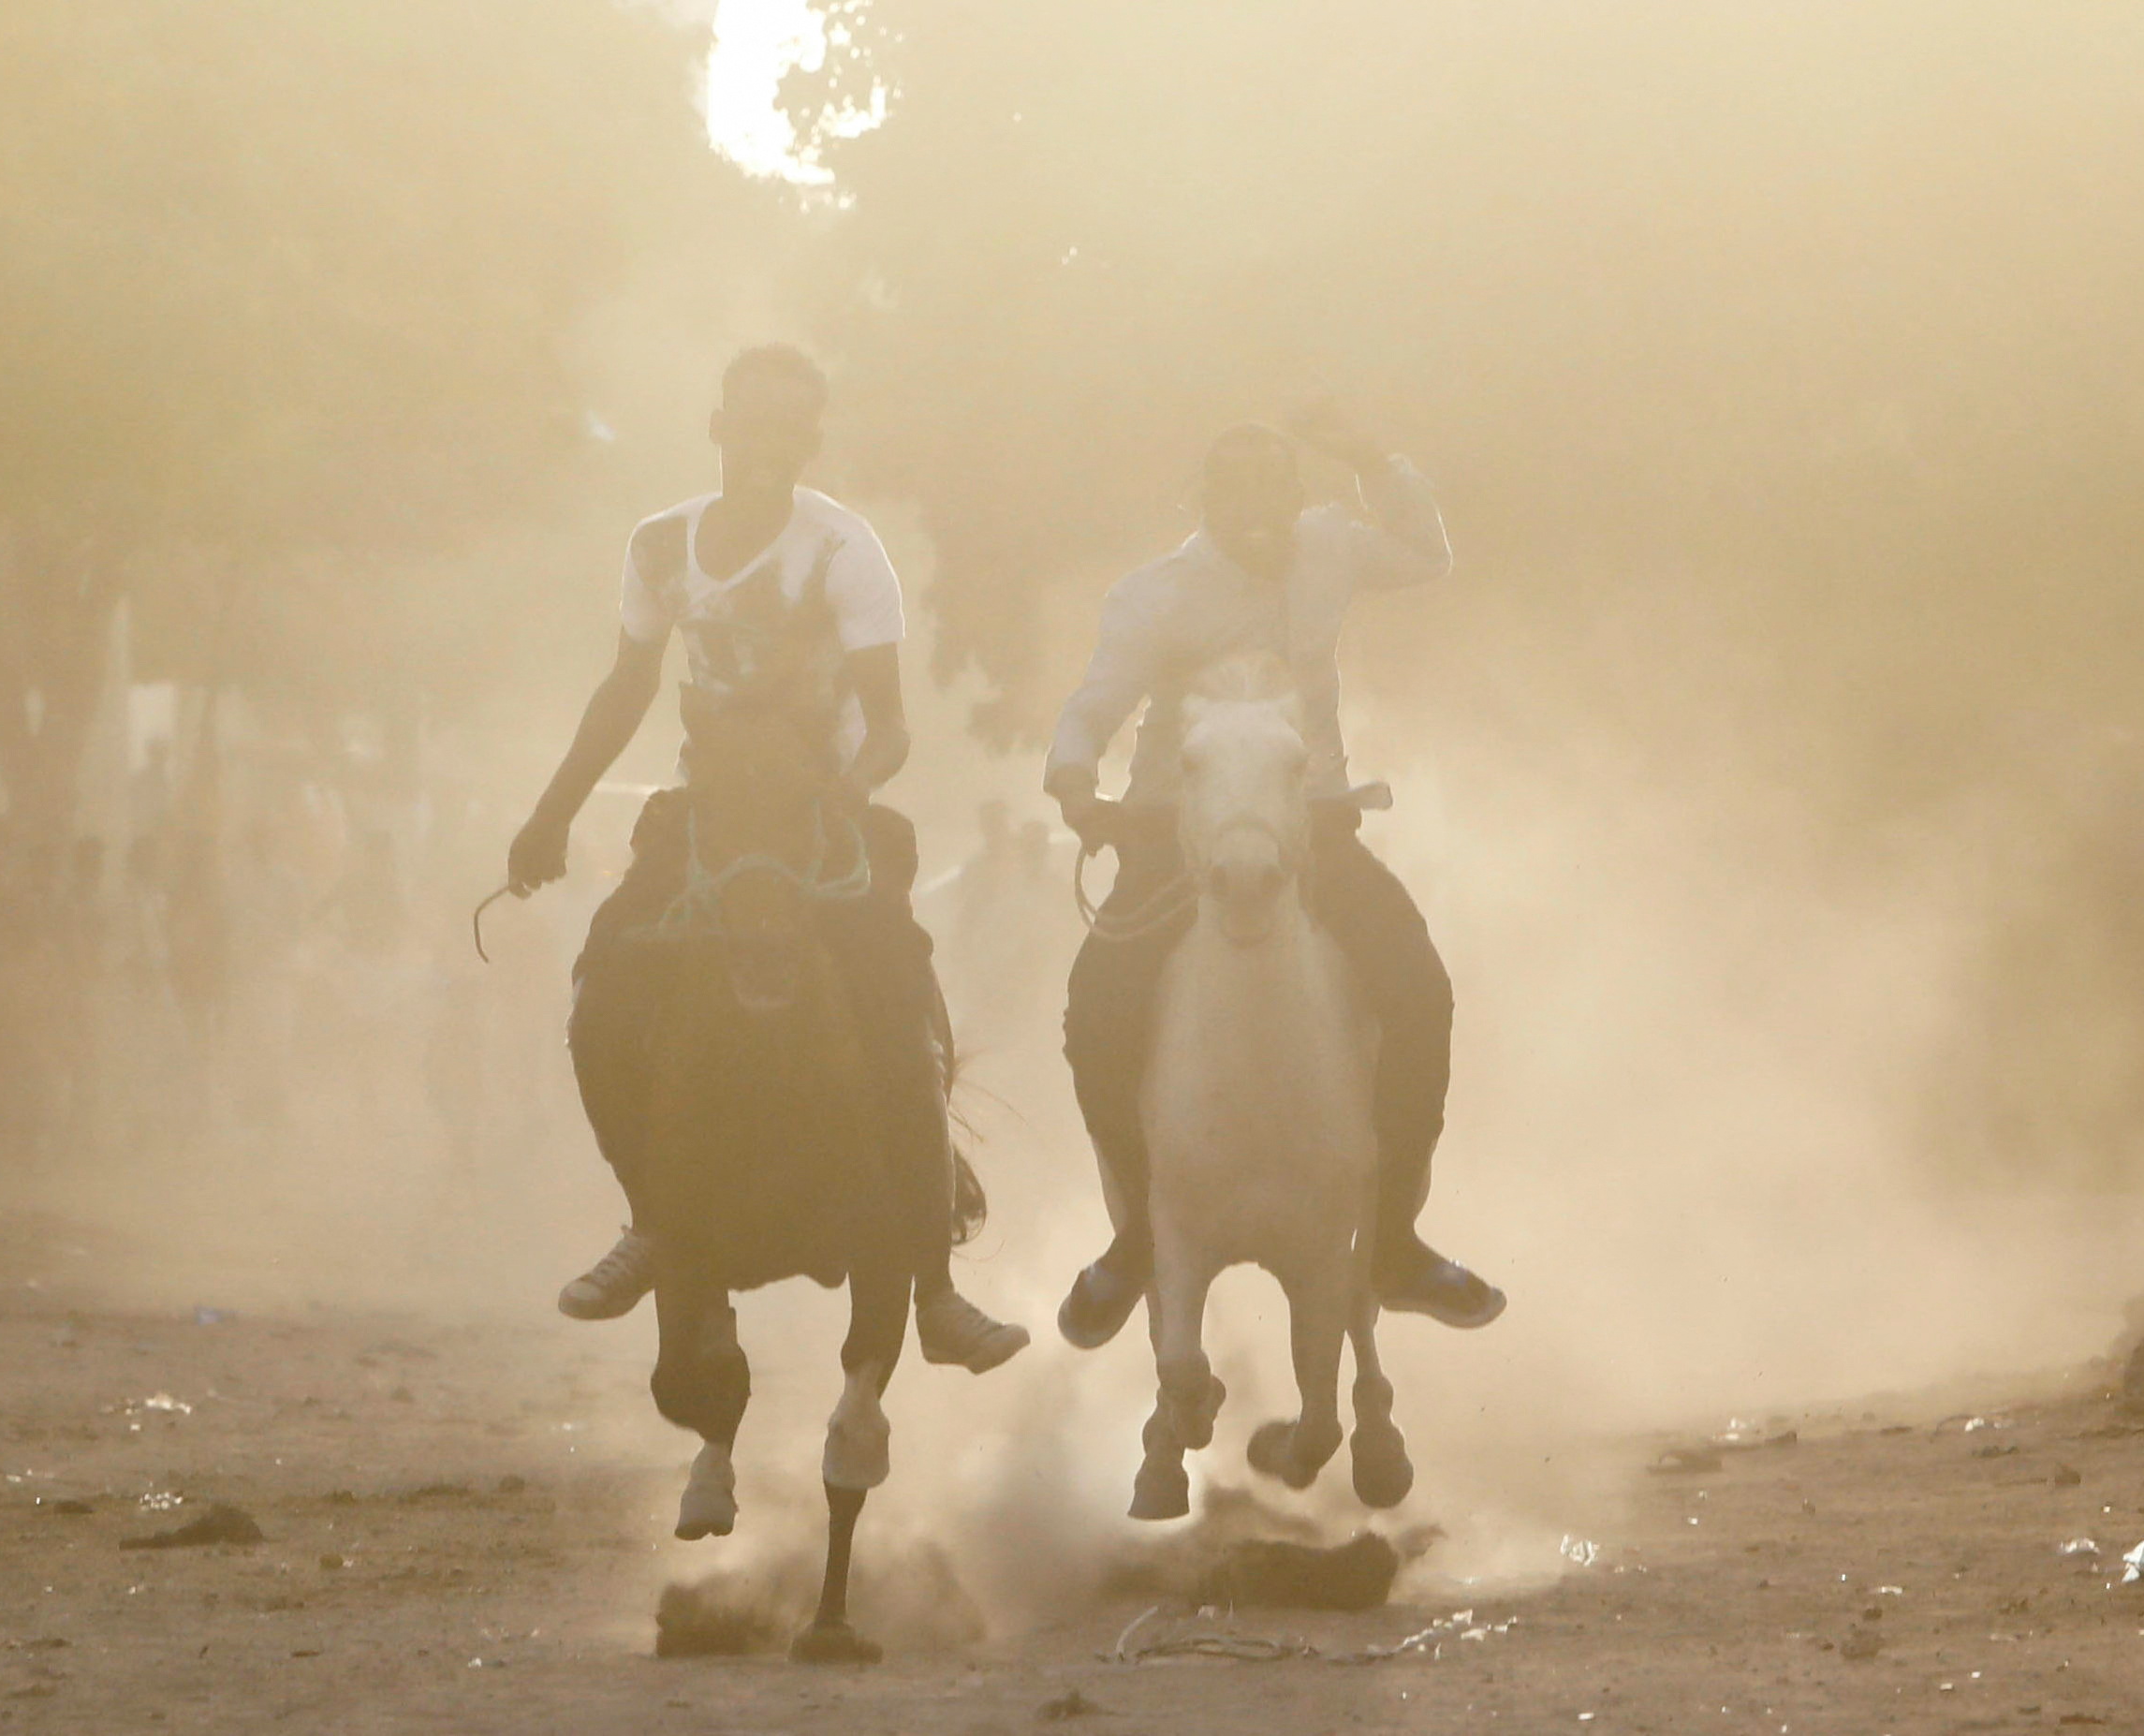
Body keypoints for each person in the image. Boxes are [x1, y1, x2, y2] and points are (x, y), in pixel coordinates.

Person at [504, 344, 1027, 1373]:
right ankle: (650, 1219)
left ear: (809, 444)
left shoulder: (842, 551)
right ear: (719, 430)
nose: (768, 445)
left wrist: (842, 793)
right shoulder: (659, 549)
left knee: (896, 994)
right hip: (707, 816)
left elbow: (890, 726)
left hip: (818, 818)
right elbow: (627, 688)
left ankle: (936, 1286)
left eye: (790, 428)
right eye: (752, 423)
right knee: (605, 985)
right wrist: (551, 813)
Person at [1043, 411, 1505, 1349]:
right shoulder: (1157, 595)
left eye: (1275, 492)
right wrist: (1074, 782)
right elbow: (1097, 701)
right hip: (1175, 843)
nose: (1258, 512)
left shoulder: (1329, 545)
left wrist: (1376, 456)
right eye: (1235, 493)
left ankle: (1395, 1246)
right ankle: (1135, 1241)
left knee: (1420, 992)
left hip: (1315, 829)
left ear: (1296, 500)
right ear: (1205, 503)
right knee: (1095, 1014)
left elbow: (1427, 553)